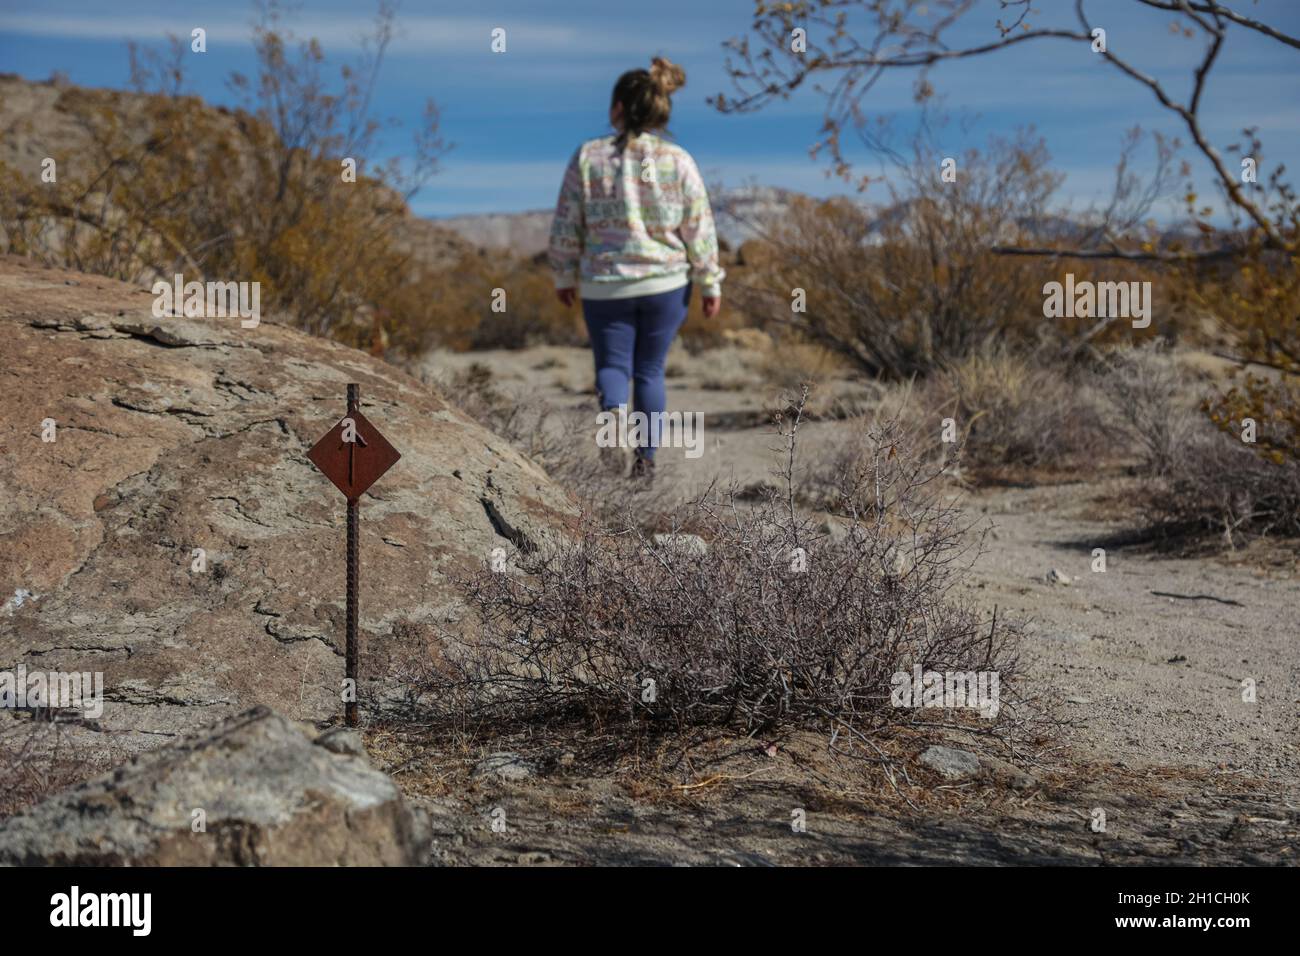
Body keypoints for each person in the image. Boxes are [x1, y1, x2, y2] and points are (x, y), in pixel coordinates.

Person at [548, 56, 724, 483]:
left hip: (605, 283)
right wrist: (709, 280)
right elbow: (697, 224)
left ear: (617, 109)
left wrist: (564, 274)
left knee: (611, 366)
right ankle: (645, 463)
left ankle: (612, 430)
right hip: (666, 284)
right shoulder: (678, 160)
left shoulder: (588, 157)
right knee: (649, 370)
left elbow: (567, 220)